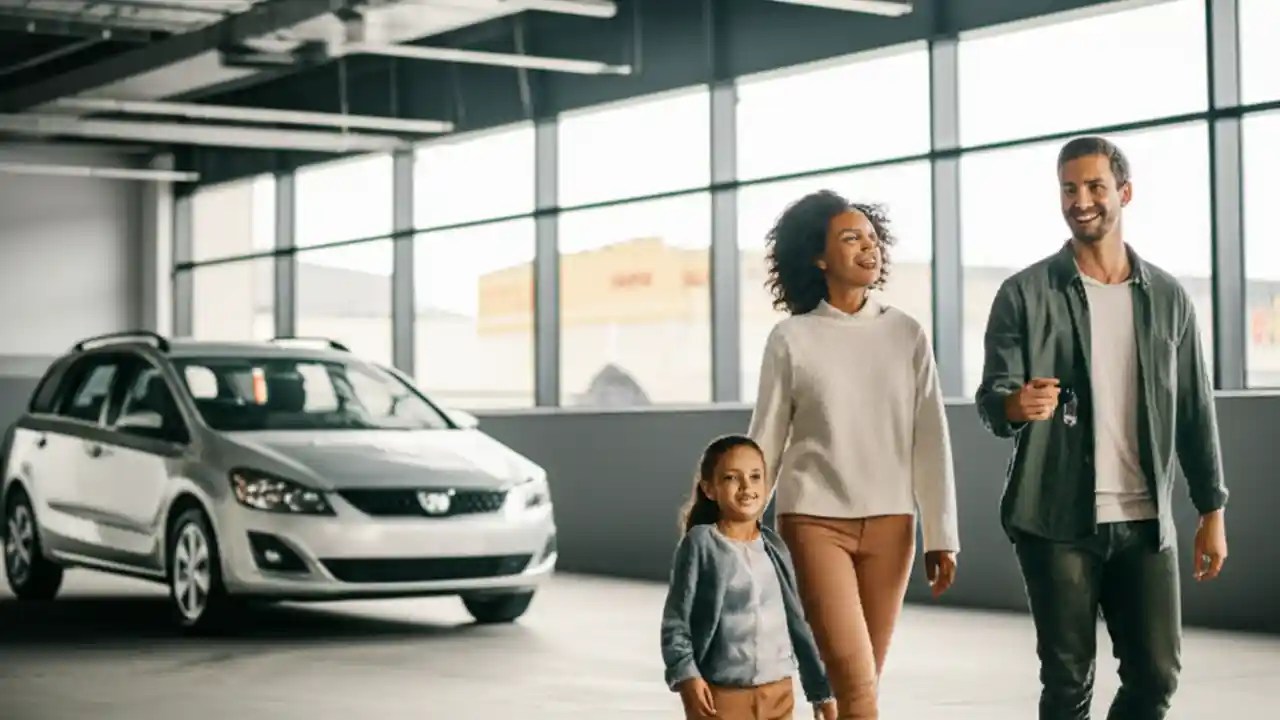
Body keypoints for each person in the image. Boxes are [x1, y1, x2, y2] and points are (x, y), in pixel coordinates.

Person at [974, 135, 1230, 720]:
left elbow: (1194, 407)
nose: (1080, 199)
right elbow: (992, 399)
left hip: (1145, 524)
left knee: (1156, 677)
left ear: (1124, 192)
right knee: (1068, 684)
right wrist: (1017, 405)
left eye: (1094, 186)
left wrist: (1211, 509)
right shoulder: (1023, 293)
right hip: (1054, 518)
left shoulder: (1168, 298)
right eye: (1069, 188)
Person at [747, 191, 960, 719]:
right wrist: (737, 528)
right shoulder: (791, 339)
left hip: (892, 526)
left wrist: (941, 534)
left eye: (872, 238)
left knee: (852, 688)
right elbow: (766, 441)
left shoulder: (906, 333)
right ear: (819, 258)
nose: (868, 247)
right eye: (851, 238)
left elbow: (930, 438)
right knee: (857, 683)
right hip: (814, 520)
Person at [660, 434, 838, 720]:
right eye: (732, 478)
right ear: (709, 488)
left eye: (756, 477)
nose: (747, 487)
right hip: (721, 697)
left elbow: (797, 623)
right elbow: (675, 622)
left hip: (778, 693)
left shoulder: (775, 547)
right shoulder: (701, 543)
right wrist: (687, 676)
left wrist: (821, 691)